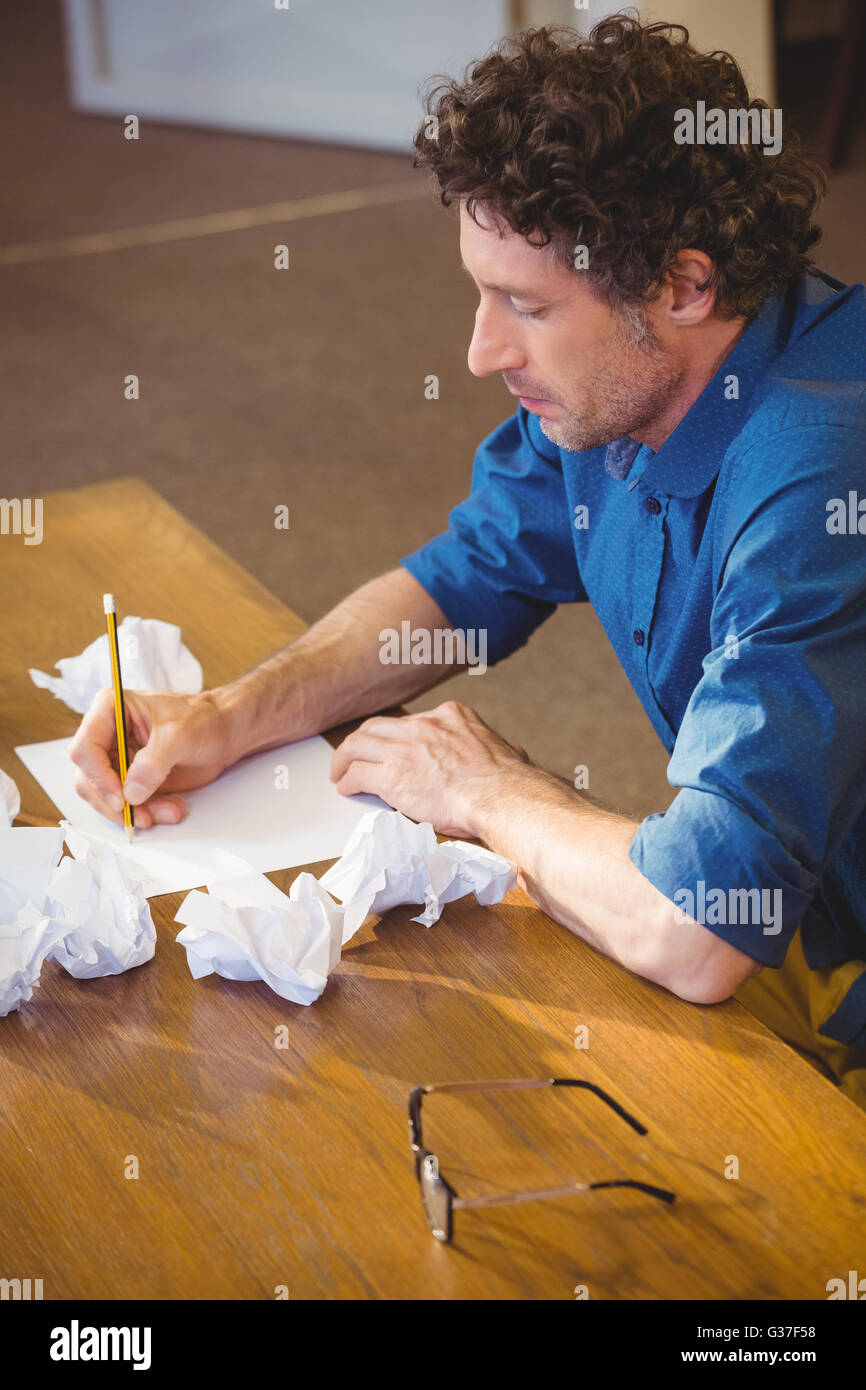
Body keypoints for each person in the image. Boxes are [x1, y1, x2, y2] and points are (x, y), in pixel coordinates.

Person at [70, 17, 866, 1104]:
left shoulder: (818, 477)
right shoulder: (619, 387)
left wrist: (491, 791)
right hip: (813, 908)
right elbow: (465, 579)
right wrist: (233, 711)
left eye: (527, 308)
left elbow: (698, 926)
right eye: (482, 292)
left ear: (683, 286)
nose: (481, 351)